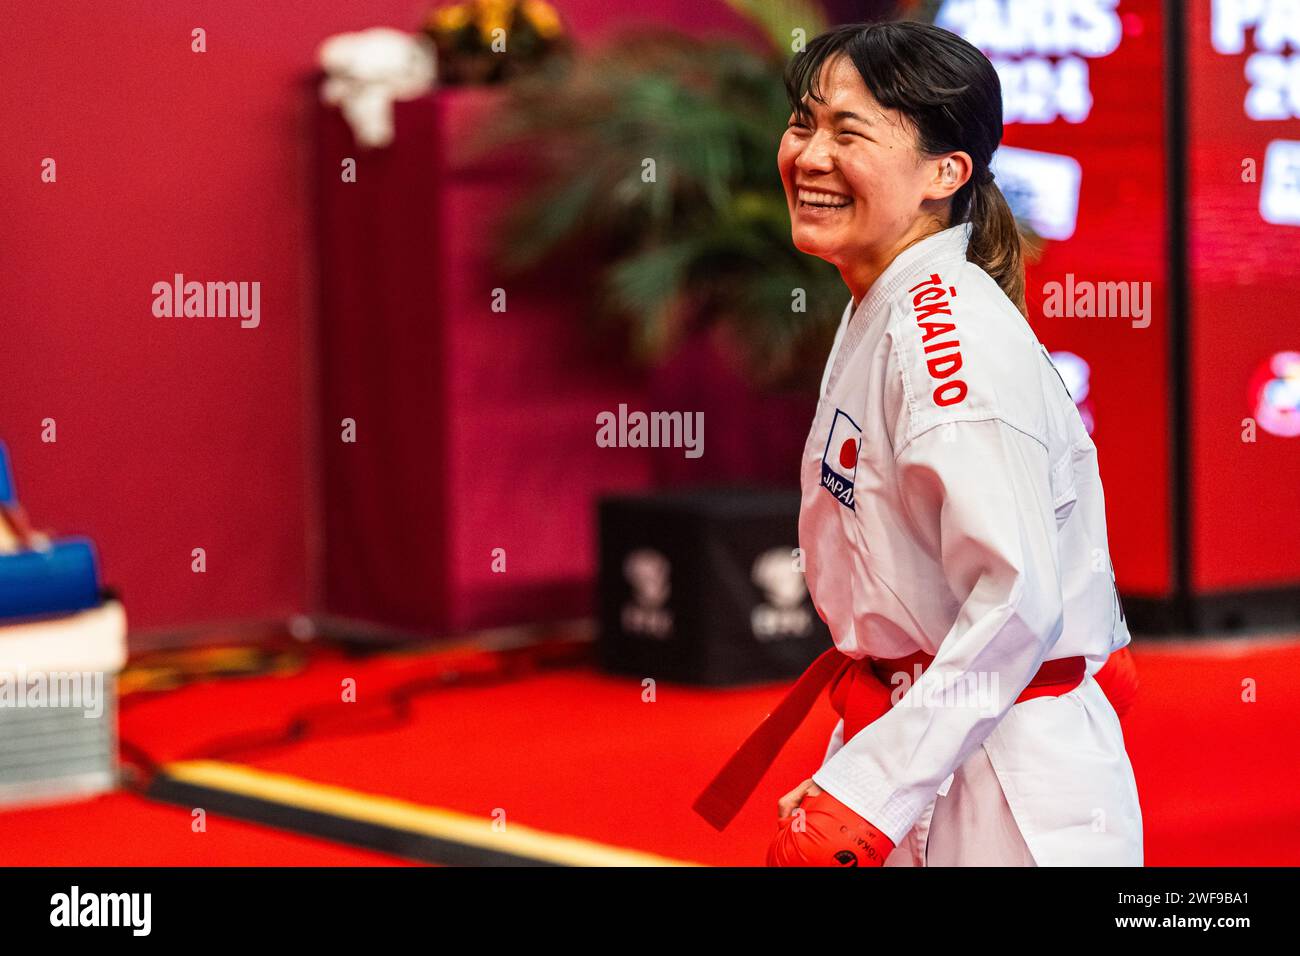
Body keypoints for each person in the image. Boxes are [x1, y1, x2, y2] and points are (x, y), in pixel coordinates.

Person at [692, 20, 1142, 866]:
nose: (810, 156)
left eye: (848, 132)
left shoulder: (946, 339)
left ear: (946, 172)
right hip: (935, 725)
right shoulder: (892, 300)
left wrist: (870, 793)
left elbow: (1015, 601)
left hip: (1002, 781)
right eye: (803, 122)